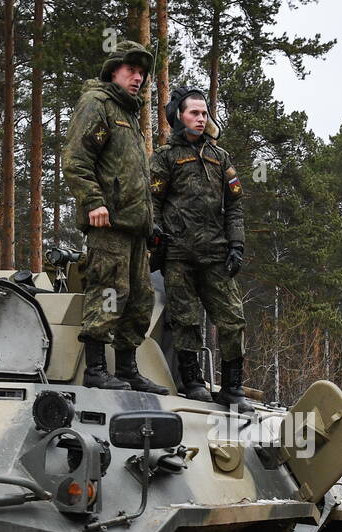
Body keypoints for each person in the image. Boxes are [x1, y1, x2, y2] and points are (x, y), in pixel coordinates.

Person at [61, 40, 167, 394]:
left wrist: (150, 223)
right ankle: (95, 370)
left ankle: (127, 369)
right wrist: (93, 201)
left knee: (139, 300)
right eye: (131, 71)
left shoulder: (129, 114)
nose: (138, 78)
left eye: (142, 73)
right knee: (108, 290)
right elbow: (76, 160)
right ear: (113, 72)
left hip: (134, 228)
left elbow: (133, 176)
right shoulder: (98, 104)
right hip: (108, 225)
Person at [150, 86, 250, 411]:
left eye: (204, 113)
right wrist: (155, 234)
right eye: (194, 112)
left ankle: (233, 389)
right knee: (186, 321)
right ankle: (193, 383)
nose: (200, 118)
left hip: (216, 255)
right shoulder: (166, 158)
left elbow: (234, 206)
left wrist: (236, 244)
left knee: (233, 319)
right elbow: (151, 200)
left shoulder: (220, 158)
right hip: (178, 256)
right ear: (179, 116)